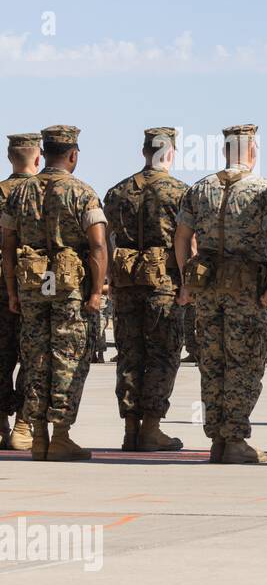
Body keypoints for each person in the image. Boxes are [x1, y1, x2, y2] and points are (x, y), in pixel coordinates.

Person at [174, 124, 267, 464]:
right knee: (245, 364)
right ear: (252, 150)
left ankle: (218, 440)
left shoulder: (199, 188)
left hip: (207, 291)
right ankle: (234, 437)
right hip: (245, 292)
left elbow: (181, 237)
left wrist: (185, 281)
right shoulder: (265, 190)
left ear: (225, 151)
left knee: (213, 364)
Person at [0, 125, 109, 460]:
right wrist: (95, 294)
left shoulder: (18, 193)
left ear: (43, 154)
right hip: (70, 290)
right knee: (67, 360)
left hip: (32, 288)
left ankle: (38, 438)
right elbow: (98, 246)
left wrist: (12, 291)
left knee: (36, 360)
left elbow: (7, 245)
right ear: (73, 155)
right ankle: (60, 435)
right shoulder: (83, 193)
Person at [103, 127, 188, 451]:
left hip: (126, 285)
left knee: (128, 355)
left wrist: (111, 277)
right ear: (169, 153)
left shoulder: (117, 192)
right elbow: (187, 242)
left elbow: (106, 239)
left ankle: (130, 428)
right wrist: (186, 283)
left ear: (144, 152)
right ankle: (151, 428)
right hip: (163, 286)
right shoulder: (179, 192)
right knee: (163, 356)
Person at [0, 132, 39, 450]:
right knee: (33, 355)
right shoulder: (41, 193)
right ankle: (24, 425)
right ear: (37, 158)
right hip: (33, 286)